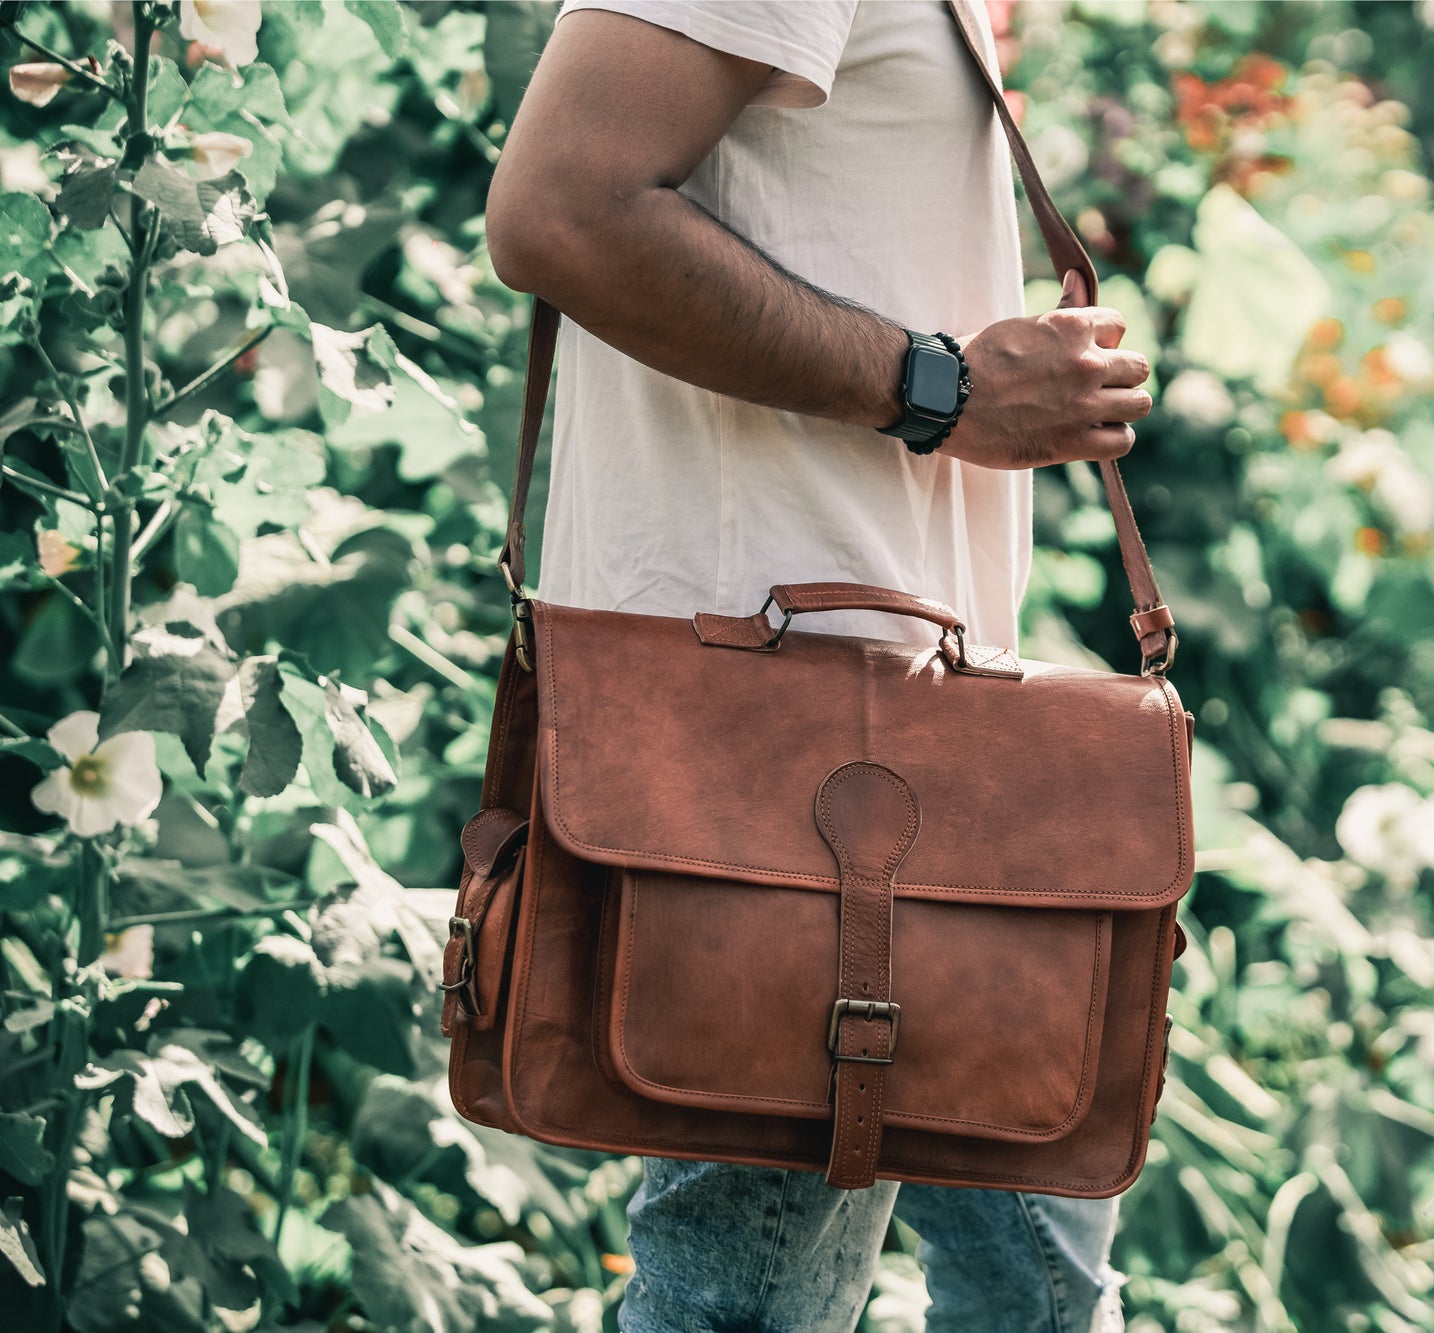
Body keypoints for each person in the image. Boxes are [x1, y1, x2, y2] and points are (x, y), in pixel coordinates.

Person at [483, 3, 1152, 1330]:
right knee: (754, 1298)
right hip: (782, 756)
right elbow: (559, 207)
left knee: (1037, 1284)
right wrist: (940, 389)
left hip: (908, 713)